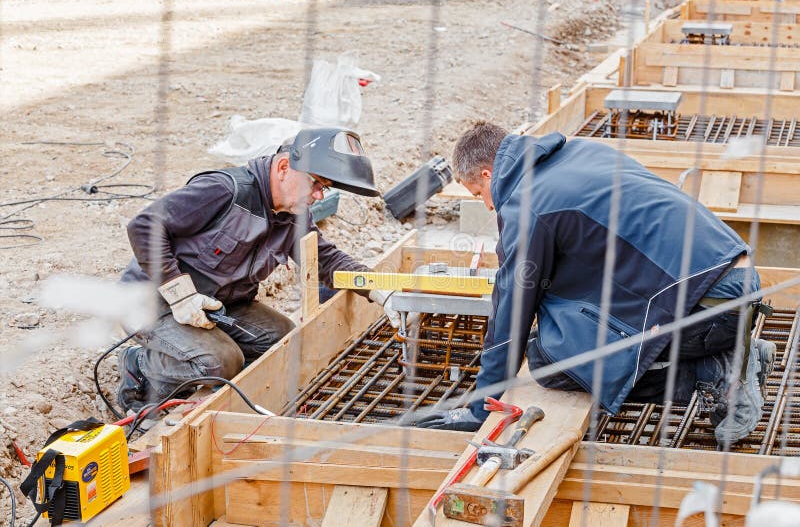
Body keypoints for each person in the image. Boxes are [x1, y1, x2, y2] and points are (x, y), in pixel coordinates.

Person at [415, 121, 775, 446]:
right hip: (736, 282)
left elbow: (511, 313)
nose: (488, 207)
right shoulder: (579, 151)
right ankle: (736, 355)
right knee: (564, 329)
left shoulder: (527, 204)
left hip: (711, 304)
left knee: (552, 360)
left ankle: (716, 372)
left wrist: (482, 406)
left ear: (488, 173)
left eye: (478, 193)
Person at [117, 127, 400, 414]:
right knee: (220, 361)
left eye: (324, 188)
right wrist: (180, 294)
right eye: (315, 183)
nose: (318, 195)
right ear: (284, 167)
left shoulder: (292, 216)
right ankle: (140, 368)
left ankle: (205, 375)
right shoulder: (226, 190)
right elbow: (144, 226)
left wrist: (379, 290)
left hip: (218, 303)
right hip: (153, 301)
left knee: (284, 341)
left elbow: (326, 259)